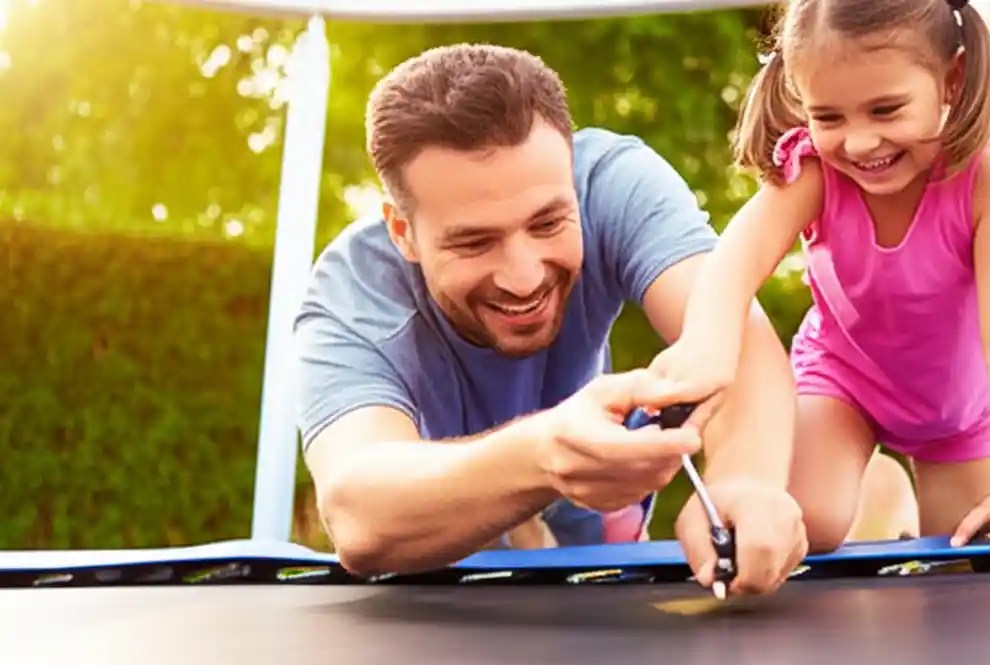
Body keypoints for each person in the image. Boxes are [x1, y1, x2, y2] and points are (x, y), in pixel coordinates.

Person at [292, 43, 809, 597]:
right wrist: (544, 453)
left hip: (594, 504)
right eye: (474, 241)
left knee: (608, 560)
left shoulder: (613, 182)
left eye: (548, 223)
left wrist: (745, 481)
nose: (523, 277)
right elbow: (357, 512)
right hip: (445, 527)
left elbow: (735, 335)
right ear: (402, 231)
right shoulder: (348, 296)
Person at [647, 0, 990, 552]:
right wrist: (704, 348)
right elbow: (733, 263)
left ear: (951, 80)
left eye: (886, 110)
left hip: (960, 410)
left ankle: (885, 490)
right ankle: (869, 483)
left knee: (975, 555)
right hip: (845, 382)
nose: (860, 143)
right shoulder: (814, 171)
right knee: (806, 523)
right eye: (829, 117)